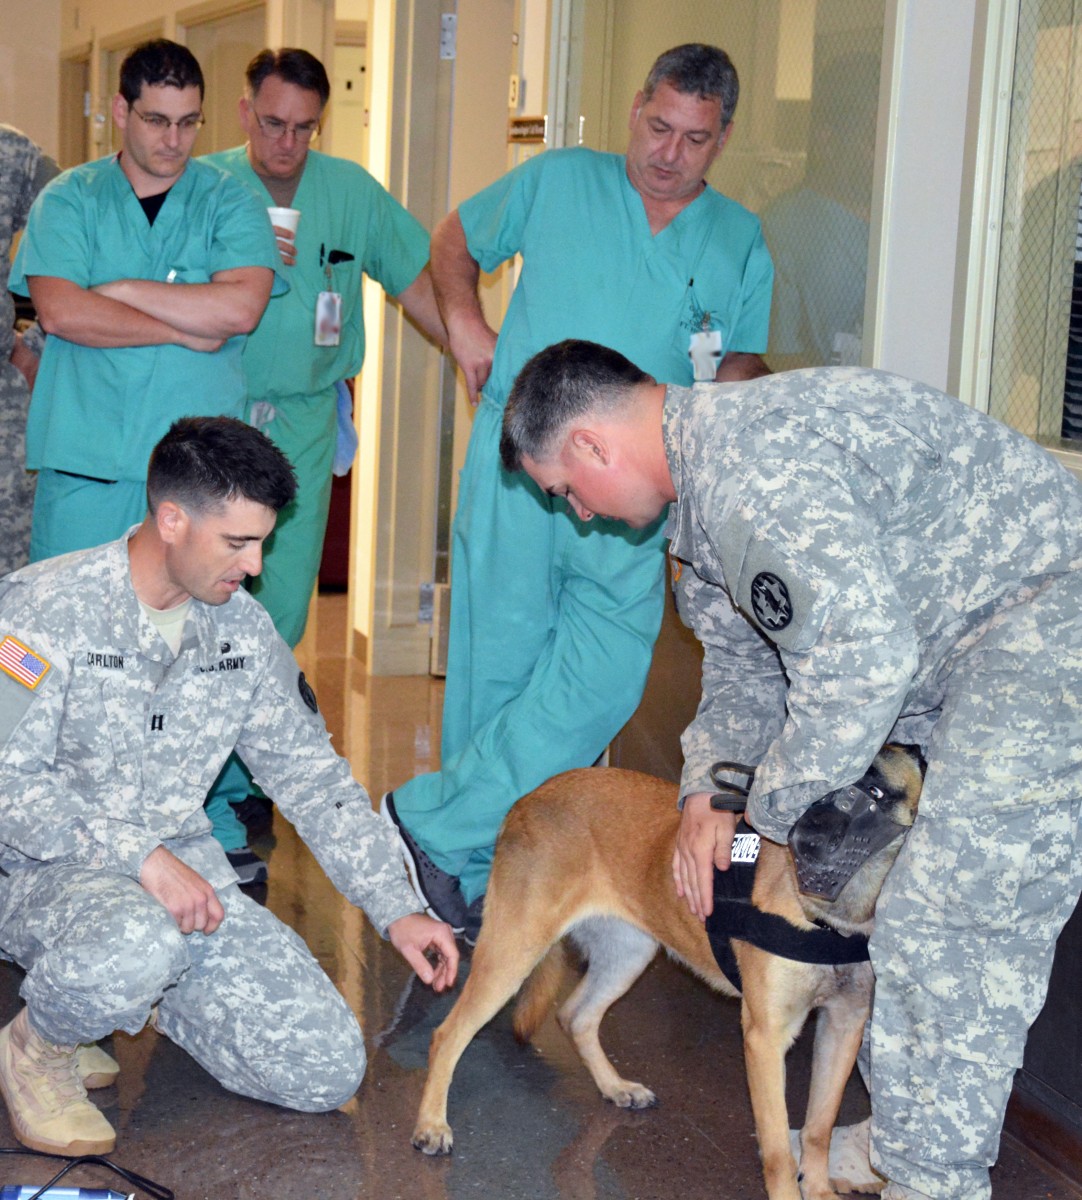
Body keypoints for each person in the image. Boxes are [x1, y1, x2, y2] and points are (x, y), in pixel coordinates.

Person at [499, 338, 1082, 1200]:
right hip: (946, 662)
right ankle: (905, 1141)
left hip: (1045, 632)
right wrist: (711, 788)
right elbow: (743, 667)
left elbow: (864, 665)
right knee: (889, 922)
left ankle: (931, 1178)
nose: (580, 513)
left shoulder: (750, 475)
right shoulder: (700, 510)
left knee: (944, 926)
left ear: (591, 444)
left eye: (566, 491)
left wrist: (767, 817)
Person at [386, 43, 774, 936]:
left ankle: (433, 825)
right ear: (636, 107)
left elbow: (738, 364)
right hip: (526, 471)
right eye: (658, 126)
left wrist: (746, 425)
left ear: (723, 139)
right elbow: (453, 241)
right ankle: (472, 876)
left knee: (601, 680)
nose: (669, 153)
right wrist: (467, 326)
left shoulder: (738, 238)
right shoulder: (557, 180)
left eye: (695, 139)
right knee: (497, 673)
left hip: (636, 494)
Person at [0, 416, 458, 1158]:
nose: (255, 565)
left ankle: (114, 995)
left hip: (188, 888)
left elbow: (312, 778)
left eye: (262, 542)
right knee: (135, 940)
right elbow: (5, 784)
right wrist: (140, 855)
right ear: (172, 520)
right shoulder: (41, 610)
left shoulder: (241, 632)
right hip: (42, 873)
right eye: (237, 542)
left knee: (323, 1068)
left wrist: (396, 907)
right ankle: (37, 1046)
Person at [199, 48, 447, 871]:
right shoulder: (206, 185)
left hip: (302, 422)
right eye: (273, 123)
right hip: (214, 414)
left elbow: (418, 280)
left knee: (279, 609)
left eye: (304, 128)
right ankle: (206, 781)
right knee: (206, 601)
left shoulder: (350, 193)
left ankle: (245, 770)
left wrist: (477, 353)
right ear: (245, 111)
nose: (287, 143)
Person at [8, 39, 282, 566]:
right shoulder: (69, 199)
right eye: (157, 120)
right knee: (70, 613)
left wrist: (121, 290)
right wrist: (184, 328)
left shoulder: (232, 201)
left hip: (200, 478)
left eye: (188, 122)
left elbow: (240, 310)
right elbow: (63, 313)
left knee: (191, 616)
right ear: (120, 110)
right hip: (87, 470)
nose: (174, 140)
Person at [0, 125, 58, 574]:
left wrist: (35, 345)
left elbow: (85, 233)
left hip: (4, 424)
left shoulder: (12, 154)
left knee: (13, 587)